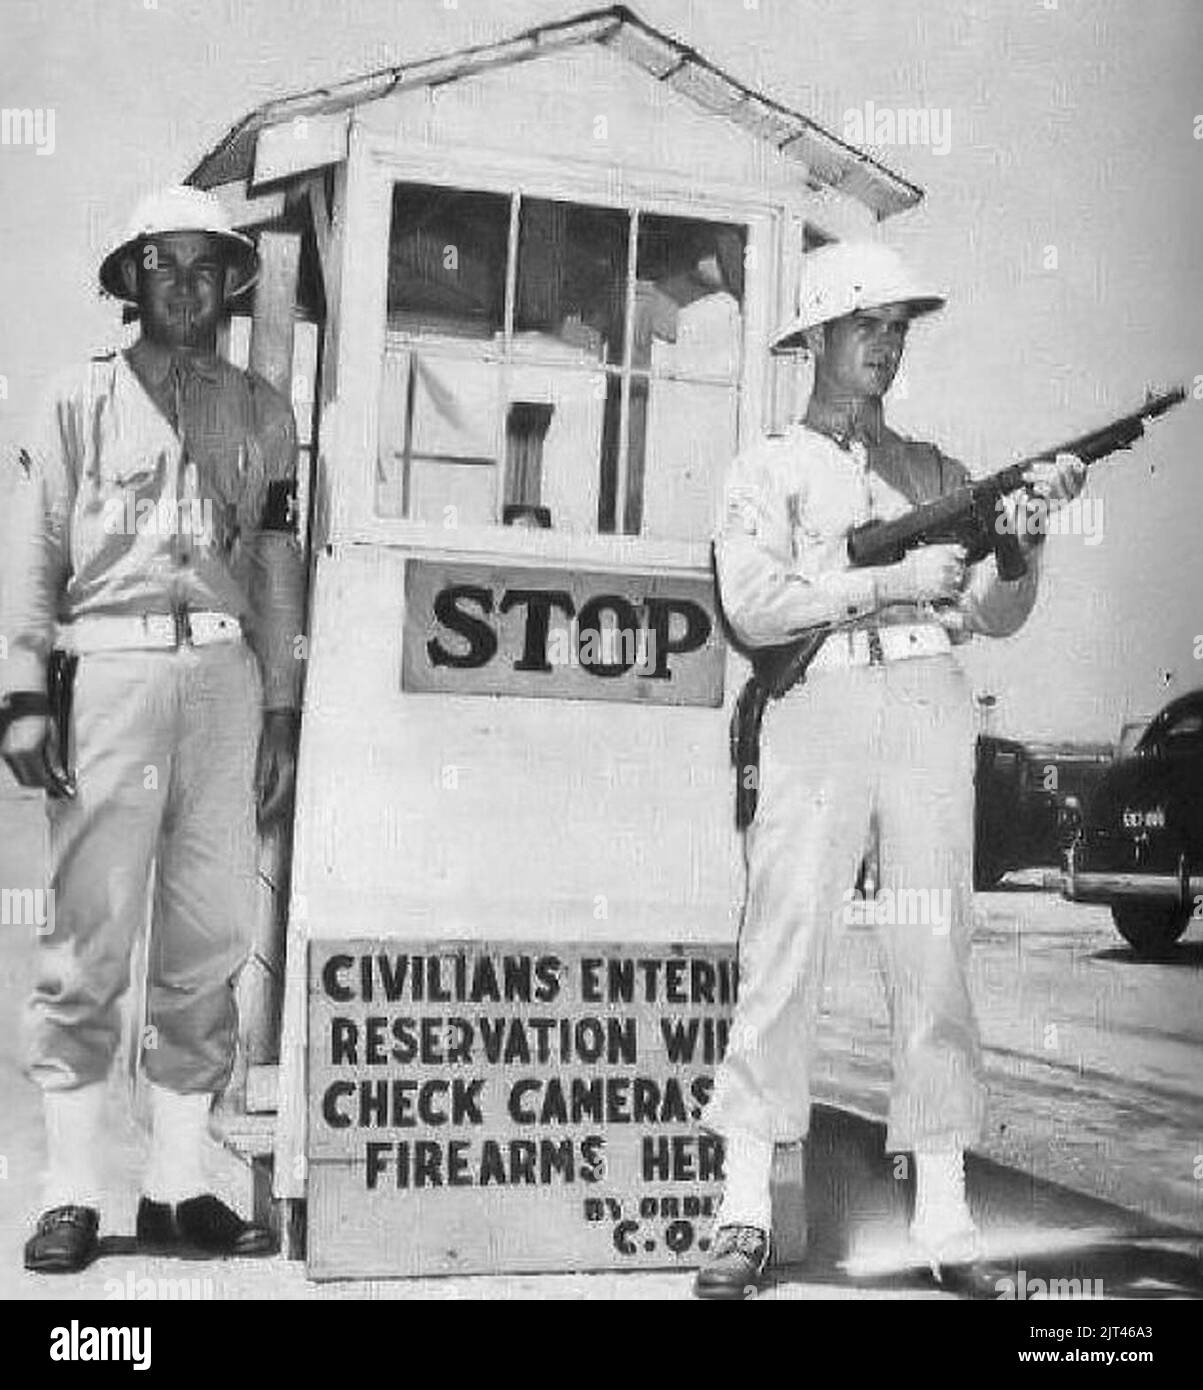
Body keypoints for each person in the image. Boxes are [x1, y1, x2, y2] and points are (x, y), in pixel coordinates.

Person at [693, 241, 1087, 1299]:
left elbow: (995, 616)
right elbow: (754, 605)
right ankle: (740, 1209)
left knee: (935, 955)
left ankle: (947, 1216)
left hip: (926, 701)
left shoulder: (937, 472)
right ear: (816, 336)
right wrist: (876, 584)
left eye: (898, 326)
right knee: (783, 951)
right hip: (818, 704)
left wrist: (1024, 543)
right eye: (867, 323)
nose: (886, 343)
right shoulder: (769, 466)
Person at [0, 185, 306, 1273]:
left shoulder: (263, 411)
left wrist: (279, 703)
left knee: (206, 939)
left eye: (204, 265)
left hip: (223, 677)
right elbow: (34, 550)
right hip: (114, 670)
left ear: (231, 280)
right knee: (89, 941)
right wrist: (26, 689)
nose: (184, 284)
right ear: (131, 278)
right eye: (161, 264)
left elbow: (273, 563)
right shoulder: (77, 400)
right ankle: (73, 1191)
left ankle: (179, 1184)